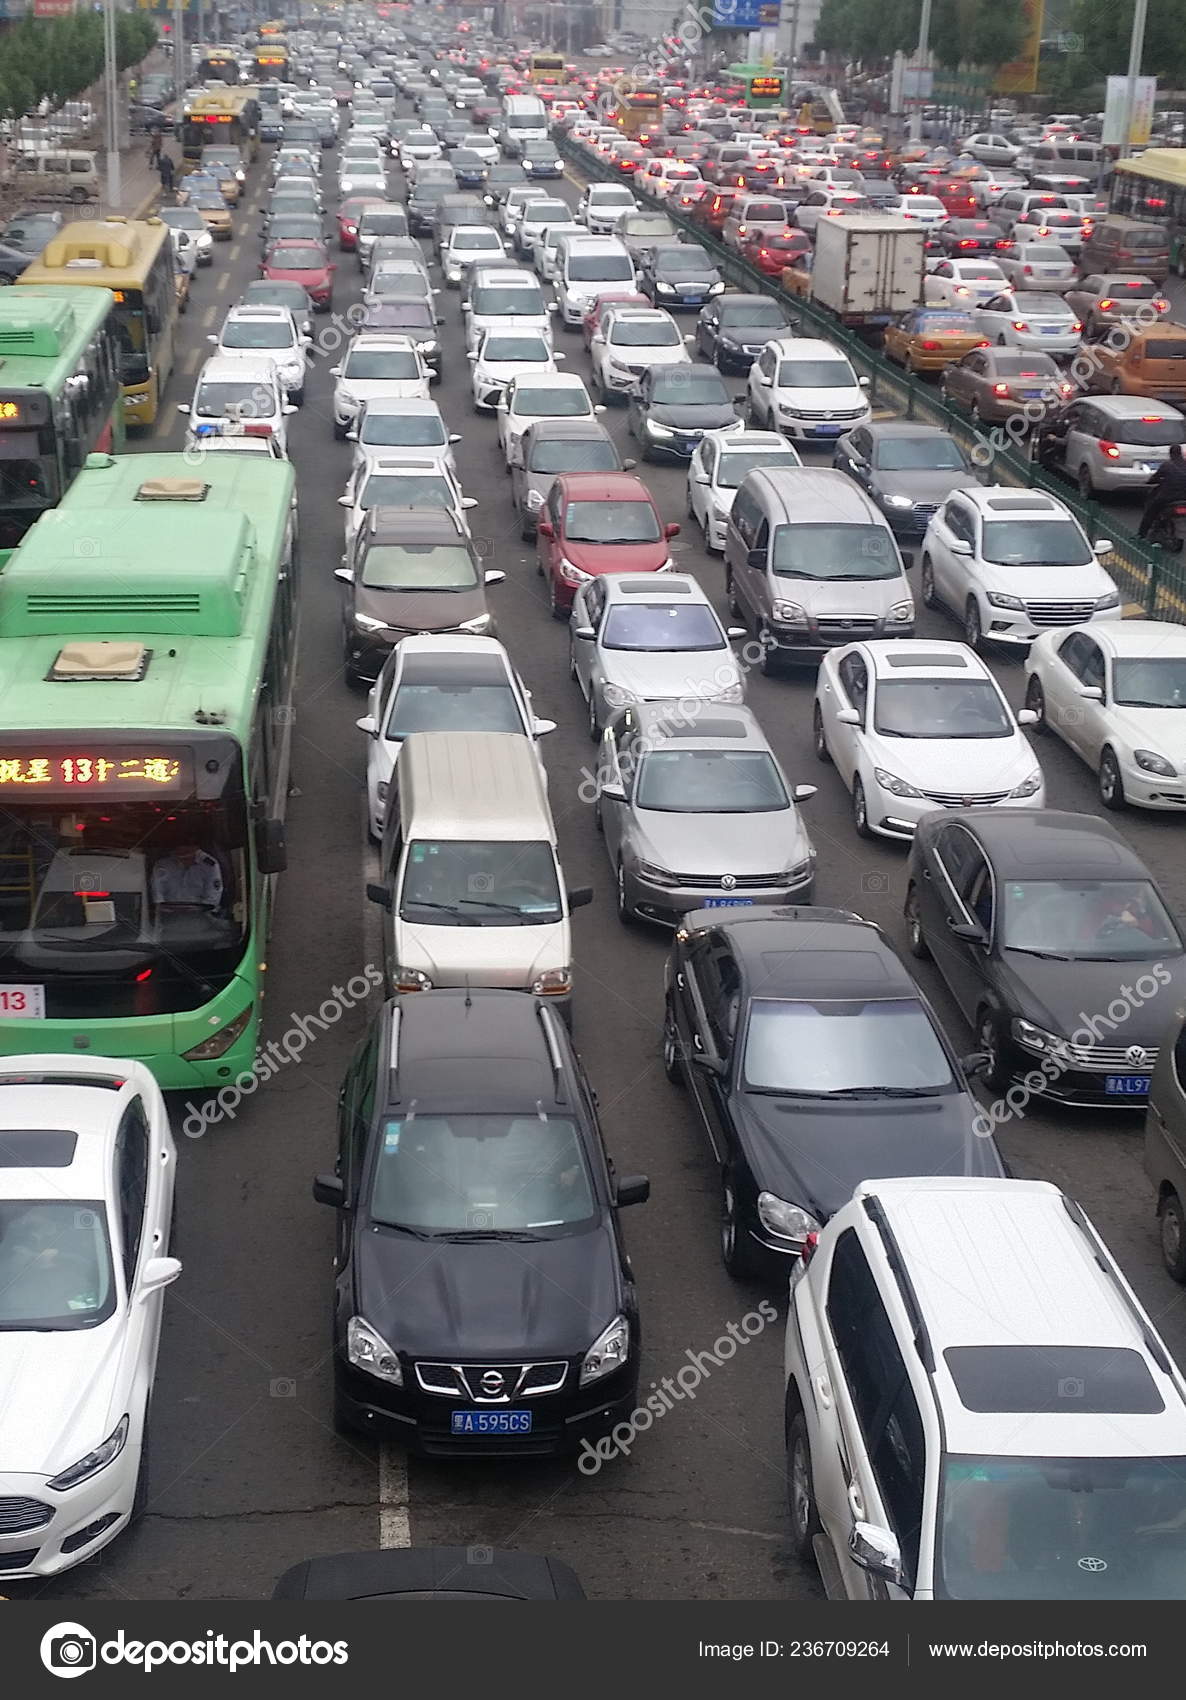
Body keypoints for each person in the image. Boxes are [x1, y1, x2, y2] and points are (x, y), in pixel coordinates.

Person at [152, 842, 223, 910]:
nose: (182, 848)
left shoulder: (209, 866)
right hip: (168, 915)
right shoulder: (162, 865)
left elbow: (212, 899)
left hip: (200, 917)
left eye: (187, 846)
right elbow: (157, 896)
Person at [1139, 441, 1186, 539]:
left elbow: (1155, 478)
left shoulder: (1167, 465)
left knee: (1151, 512)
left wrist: (1148, 481)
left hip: (1168, 497)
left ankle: (1141, 534)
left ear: (1170, 453)